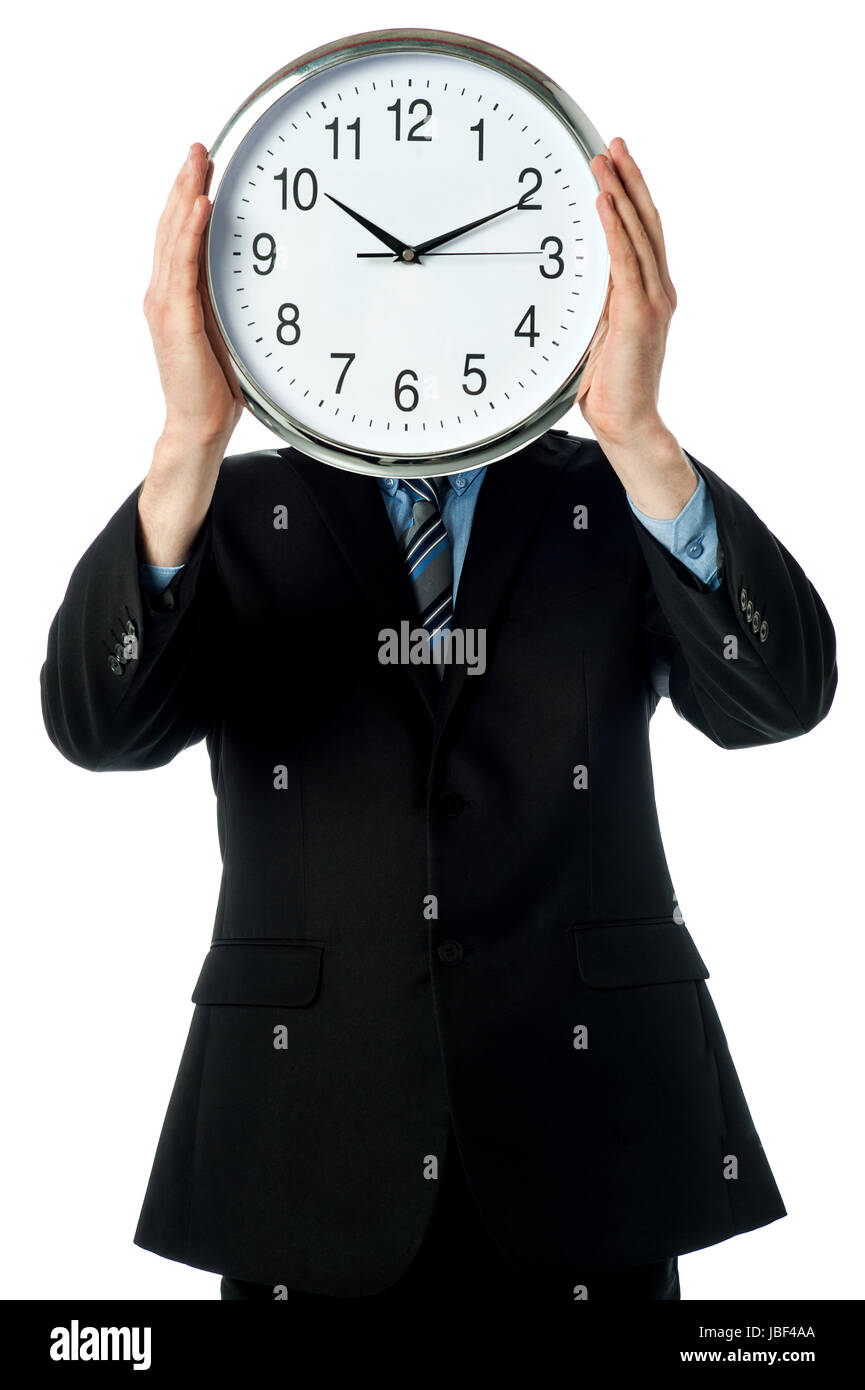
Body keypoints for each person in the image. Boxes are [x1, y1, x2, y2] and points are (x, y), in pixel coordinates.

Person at [40, 136, 837, 1306]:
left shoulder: (607, 495)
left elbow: (780, 694)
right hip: (309, 1138)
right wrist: (186, 443)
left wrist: (639, 436)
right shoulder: (227, 504)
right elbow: (98, 727)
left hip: (589, 1145)